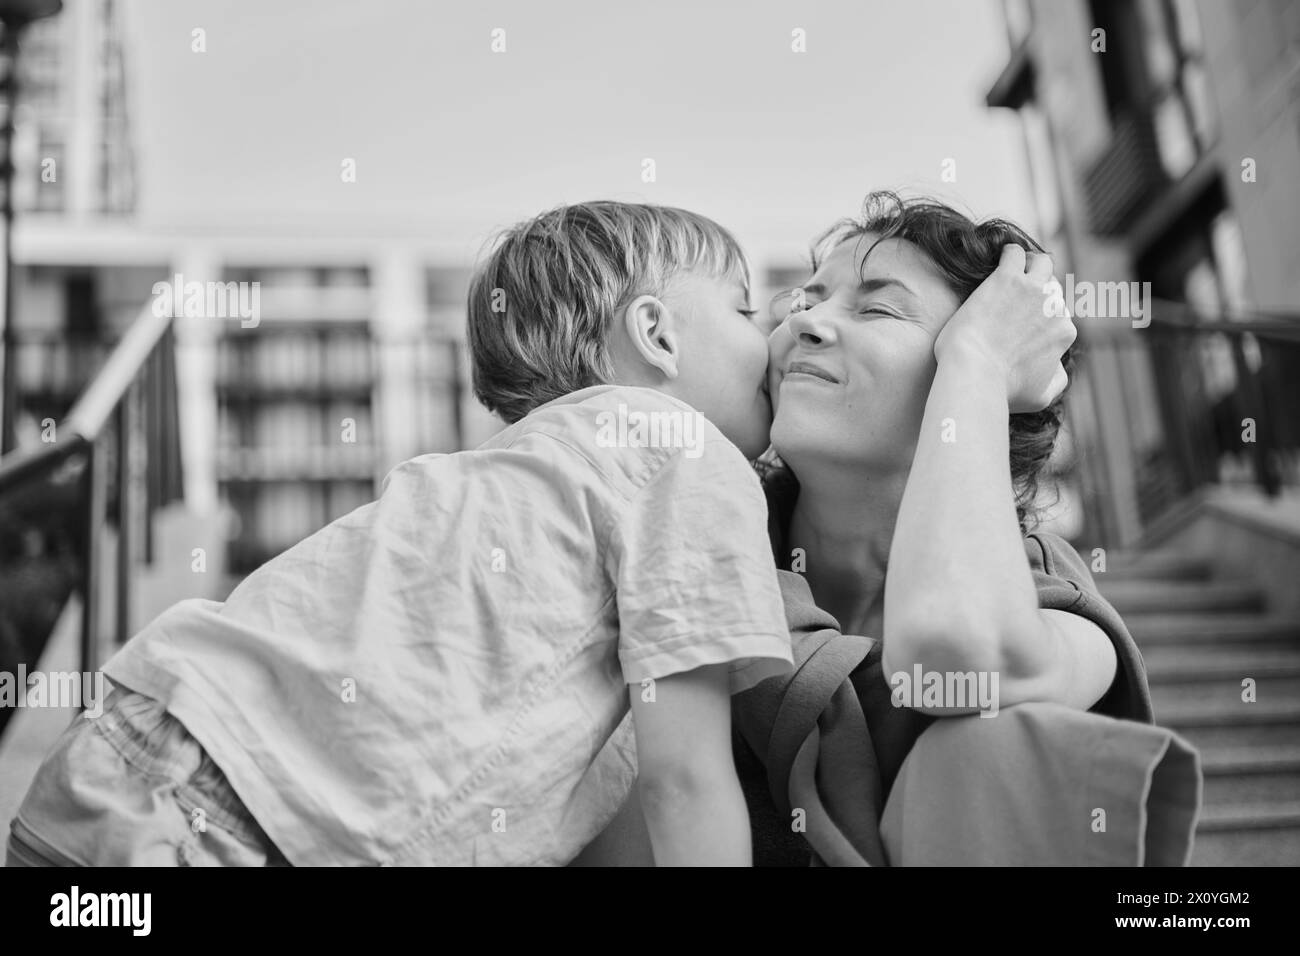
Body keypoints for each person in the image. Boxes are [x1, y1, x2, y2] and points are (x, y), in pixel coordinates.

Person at [6, 202, 796, 867]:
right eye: (744, 309)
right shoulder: (680, 449)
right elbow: (684, 781)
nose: (772, 332)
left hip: (130, 760)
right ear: (657, 334)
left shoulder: (522, 475)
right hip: (227, 825)